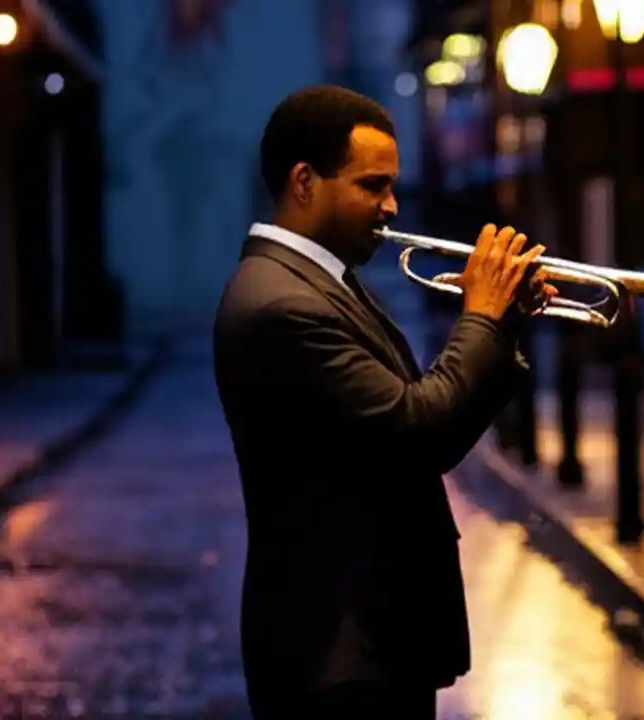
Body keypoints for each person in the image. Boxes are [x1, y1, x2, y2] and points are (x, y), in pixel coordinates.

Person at [212, 84, 555, 718]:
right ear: (305, 181)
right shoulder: (284, 304)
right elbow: (415, 426)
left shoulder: (321, 284)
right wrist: (480, 317)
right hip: (338, 653)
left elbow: (430, 448)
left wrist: (501, 324)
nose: (392, 206)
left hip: (373, 643)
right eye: (373, 186)